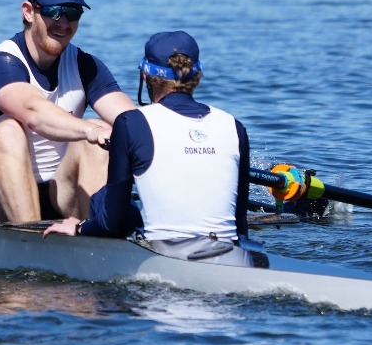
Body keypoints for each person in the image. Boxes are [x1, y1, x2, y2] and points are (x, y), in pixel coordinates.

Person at [45, 32, 256, 265]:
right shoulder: (234, 126)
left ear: (145, 76)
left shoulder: (131, 123)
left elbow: (110, 222)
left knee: (104, 198)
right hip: (229, 253)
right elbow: (240, 226)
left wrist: (80, 227)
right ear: (197, 74)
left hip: (164, 256)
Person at [0, 0, 136, 223]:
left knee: (102, 135)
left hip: (58, 190)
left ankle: (99, 237)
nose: (64, 23)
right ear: (28, 12)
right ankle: (30, 242)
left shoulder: (85, 65)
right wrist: (90, 131)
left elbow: (131, 121)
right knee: (10, 131)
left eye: (73, 13)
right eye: (54, 12)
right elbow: (34, 113)